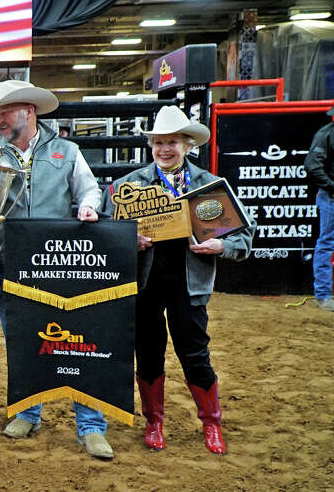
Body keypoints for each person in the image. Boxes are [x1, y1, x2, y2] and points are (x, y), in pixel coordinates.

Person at [0, 79, 114, 460]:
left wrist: (88, 207)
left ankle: (91, 425)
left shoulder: (67, 151)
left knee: (78, 343)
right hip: (12, 263)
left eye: (2, 112)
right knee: (22, 343)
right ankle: (28, 411)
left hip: (61, 266)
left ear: (27, 111)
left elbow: (89, 189)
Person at [103, 106, 254, 454]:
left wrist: (221, 244)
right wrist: (128, 239)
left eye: (171, 142)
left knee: (195, 354)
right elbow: (109, 235)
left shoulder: (207, 186)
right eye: (158, 142)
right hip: (144, 285)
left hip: (190, 284)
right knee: (149, 353)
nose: (164, 149)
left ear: (187, 145)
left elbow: (243, 237)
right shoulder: (131, 186)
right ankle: (153, 422)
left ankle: (211, 422)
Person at [305, 108, 334, 312]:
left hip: (330, 195)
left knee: (326, 242)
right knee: (326, 242)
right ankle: (323, 294)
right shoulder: (326, 133)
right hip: (331, 197)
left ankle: (324, 295)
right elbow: (312, 165)